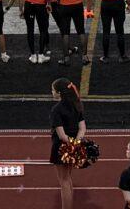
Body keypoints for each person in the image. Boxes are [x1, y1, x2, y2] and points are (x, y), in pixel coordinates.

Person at [49, 78, 86, 209]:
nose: (52, 92)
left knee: (63, 181)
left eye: (53, 90)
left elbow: (62, 135)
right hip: (74, 146)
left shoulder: (56, 109)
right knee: (68, 178)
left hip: (61, 148)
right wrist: (76, 143)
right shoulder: (77, 104)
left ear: (59, 93)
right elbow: (82, 128)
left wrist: (71, 143)